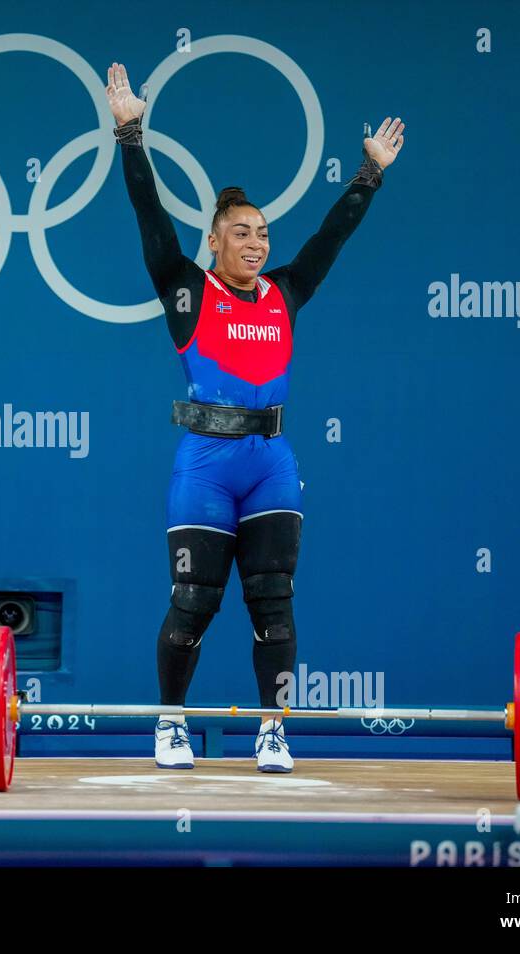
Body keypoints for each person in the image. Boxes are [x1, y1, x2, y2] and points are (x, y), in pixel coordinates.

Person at [104, 62, 405, 772]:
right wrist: (129, 132)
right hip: (204, 467)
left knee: (274, 603)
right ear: (214, 240)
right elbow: (148, 212)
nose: (257, 242)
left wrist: (369, 173)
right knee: (194, 601)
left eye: (263, 233)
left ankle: (273, 731)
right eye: (242, 232)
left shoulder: (285, 292)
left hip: (270, 465)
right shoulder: (183, 288)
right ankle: (170, 725)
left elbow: (332, 238)